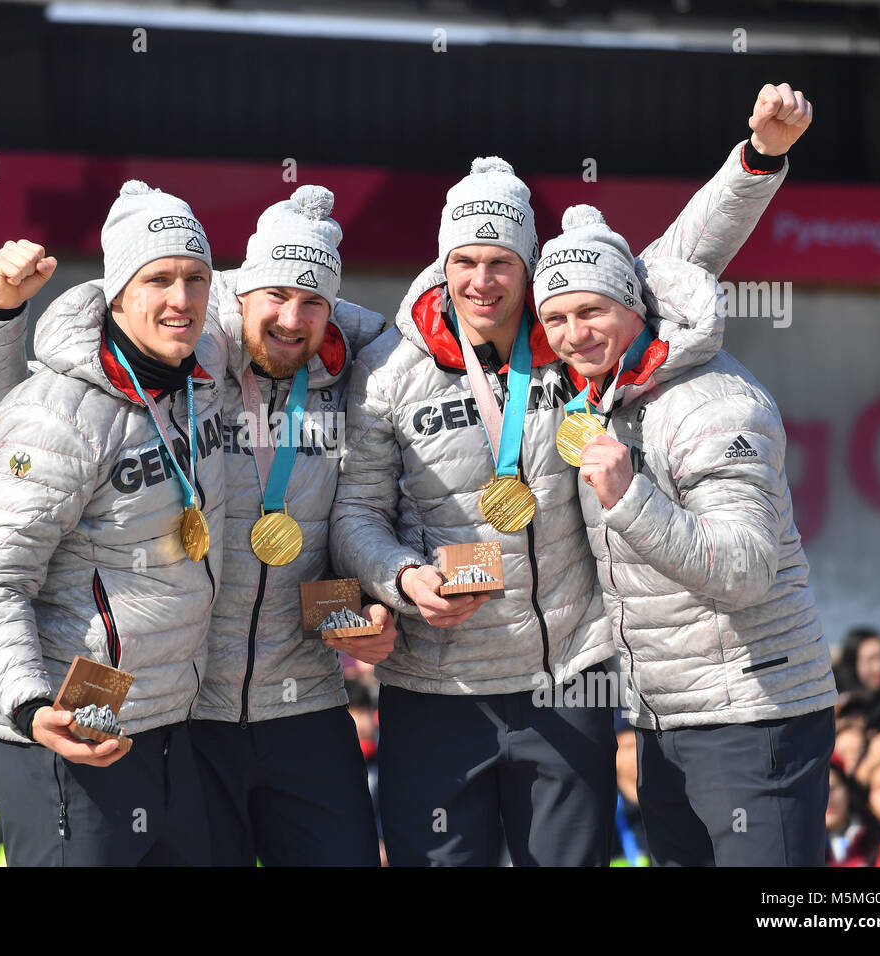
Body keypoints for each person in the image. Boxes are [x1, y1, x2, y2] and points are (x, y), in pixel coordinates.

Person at [330, 82, 809, 866]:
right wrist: (401, 577)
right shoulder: (388, 370)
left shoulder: (579, 338)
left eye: (501, 263)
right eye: (465, 262)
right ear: (442, 263)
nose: (482, 282)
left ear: (529, 267)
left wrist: (759, 157)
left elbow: (688, 252)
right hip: (432, 690)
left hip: (570, 684)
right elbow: (354, 515)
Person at [0, 188, 401, 866]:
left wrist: (358, 612)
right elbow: (11, 428)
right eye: (273, 296)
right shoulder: (196, 367)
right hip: (176, 718)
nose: (290, 319)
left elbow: (331, 538)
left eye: (313, 302)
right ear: (239, 294)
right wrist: (2, 313)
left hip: (293, 700)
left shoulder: (333, 381)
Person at [532, 188, 836, 864]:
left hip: (754, 716)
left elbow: (746, 569)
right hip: (662, 719)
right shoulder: (605, 396)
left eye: (590, 311)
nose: (572, 334)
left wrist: (629, 498)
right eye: (554, 316)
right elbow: (693, 238)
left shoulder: (713, 402)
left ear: (633, 308)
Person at [0, 180, 226, 866]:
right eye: (158, 278)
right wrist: (29, 704)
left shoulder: (204, 370)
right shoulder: (56, 415)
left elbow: (285, 289)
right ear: (118, 290)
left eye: (197, 278)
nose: (182, 299)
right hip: (65, 743)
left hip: (168, 730)